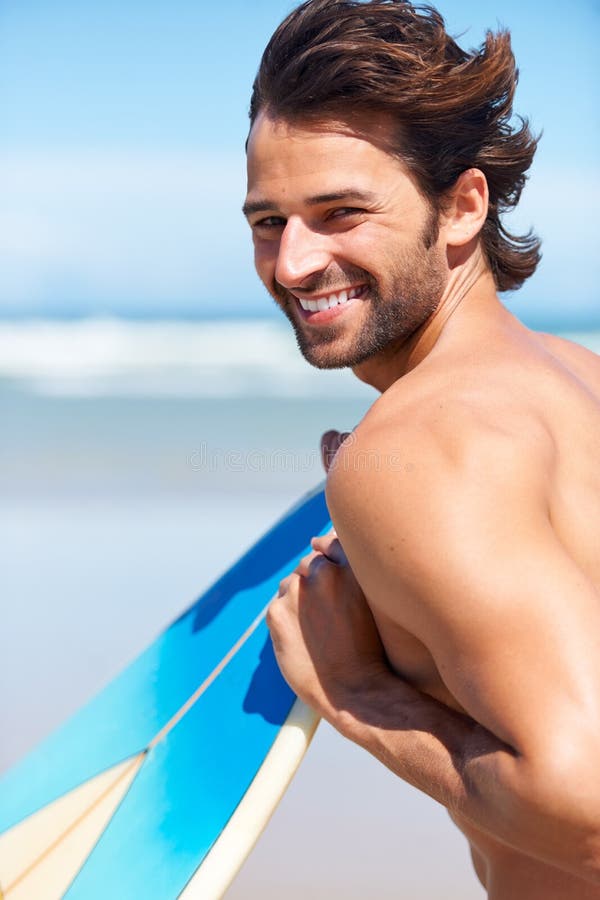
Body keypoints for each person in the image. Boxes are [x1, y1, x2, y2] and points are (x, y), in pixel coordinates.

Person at [242, 1, 600, 896]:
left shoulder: (418, 447)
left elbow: (589, 811)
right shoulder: (575, 381)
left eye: (340, 212)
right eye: (267, 221)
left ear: (461, 206)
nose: (292, 264)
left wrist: (358, 691)